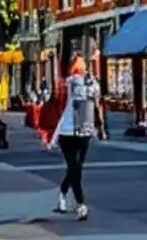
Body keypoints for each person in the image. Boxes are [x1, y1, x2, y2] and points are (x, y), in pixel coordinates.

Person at [38, 55, 104, 221]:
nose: (83, 66)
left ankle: (63, 194)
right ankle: (81, 204)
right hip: (68, 130)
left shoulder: (88, 81)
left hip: (82, 128)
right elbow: (81, 97)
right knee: (74, 168)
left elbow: (95, 98)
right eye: (81, 63)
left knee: (76, 167)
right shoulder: (72, 82)